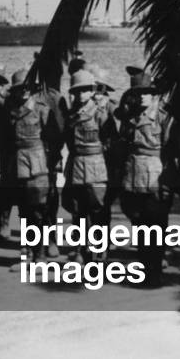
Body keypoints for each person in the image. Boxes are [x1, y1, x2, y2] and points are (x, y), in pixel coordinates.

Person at [0, 70, 60, 261]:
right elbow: (4, 140)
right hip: (15, 165)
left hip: (37, 164)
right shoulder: (8, 110)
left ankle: (39, 252)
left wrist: (50, 163)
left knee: (38, 209)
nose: (24, 91)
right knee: (23, 207)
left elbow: (53, 138)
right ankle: (28, 249)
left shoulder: (42, 109)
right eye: (20, 88)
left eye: (27, 87)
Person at [116, 70, 172, 287]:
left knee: (155, 224)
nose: (141, 97)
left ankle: (154, 271)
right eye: (137, 93)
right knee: (139, 223)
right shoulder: (130, 115)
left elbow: (170, 148)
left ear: (153, 94)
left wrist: (167, 181)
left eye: (146, 93)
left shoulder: (162, 116)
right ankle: (145, 267)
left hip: (155, 175)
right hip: (133, 175)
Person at [60, 71, 112, 263]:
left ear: (92, 91)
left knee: (97, 208)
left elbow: (109, 140)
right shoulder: (71, 114)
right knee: (78, 209)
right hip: (76, 165)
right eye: (77, 91)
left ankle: (100, 249)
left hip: (96, 166)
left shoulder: (100, 113)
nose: (81, 94)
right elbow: (68, 139)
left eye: (85, 90)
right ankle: (81, 249)